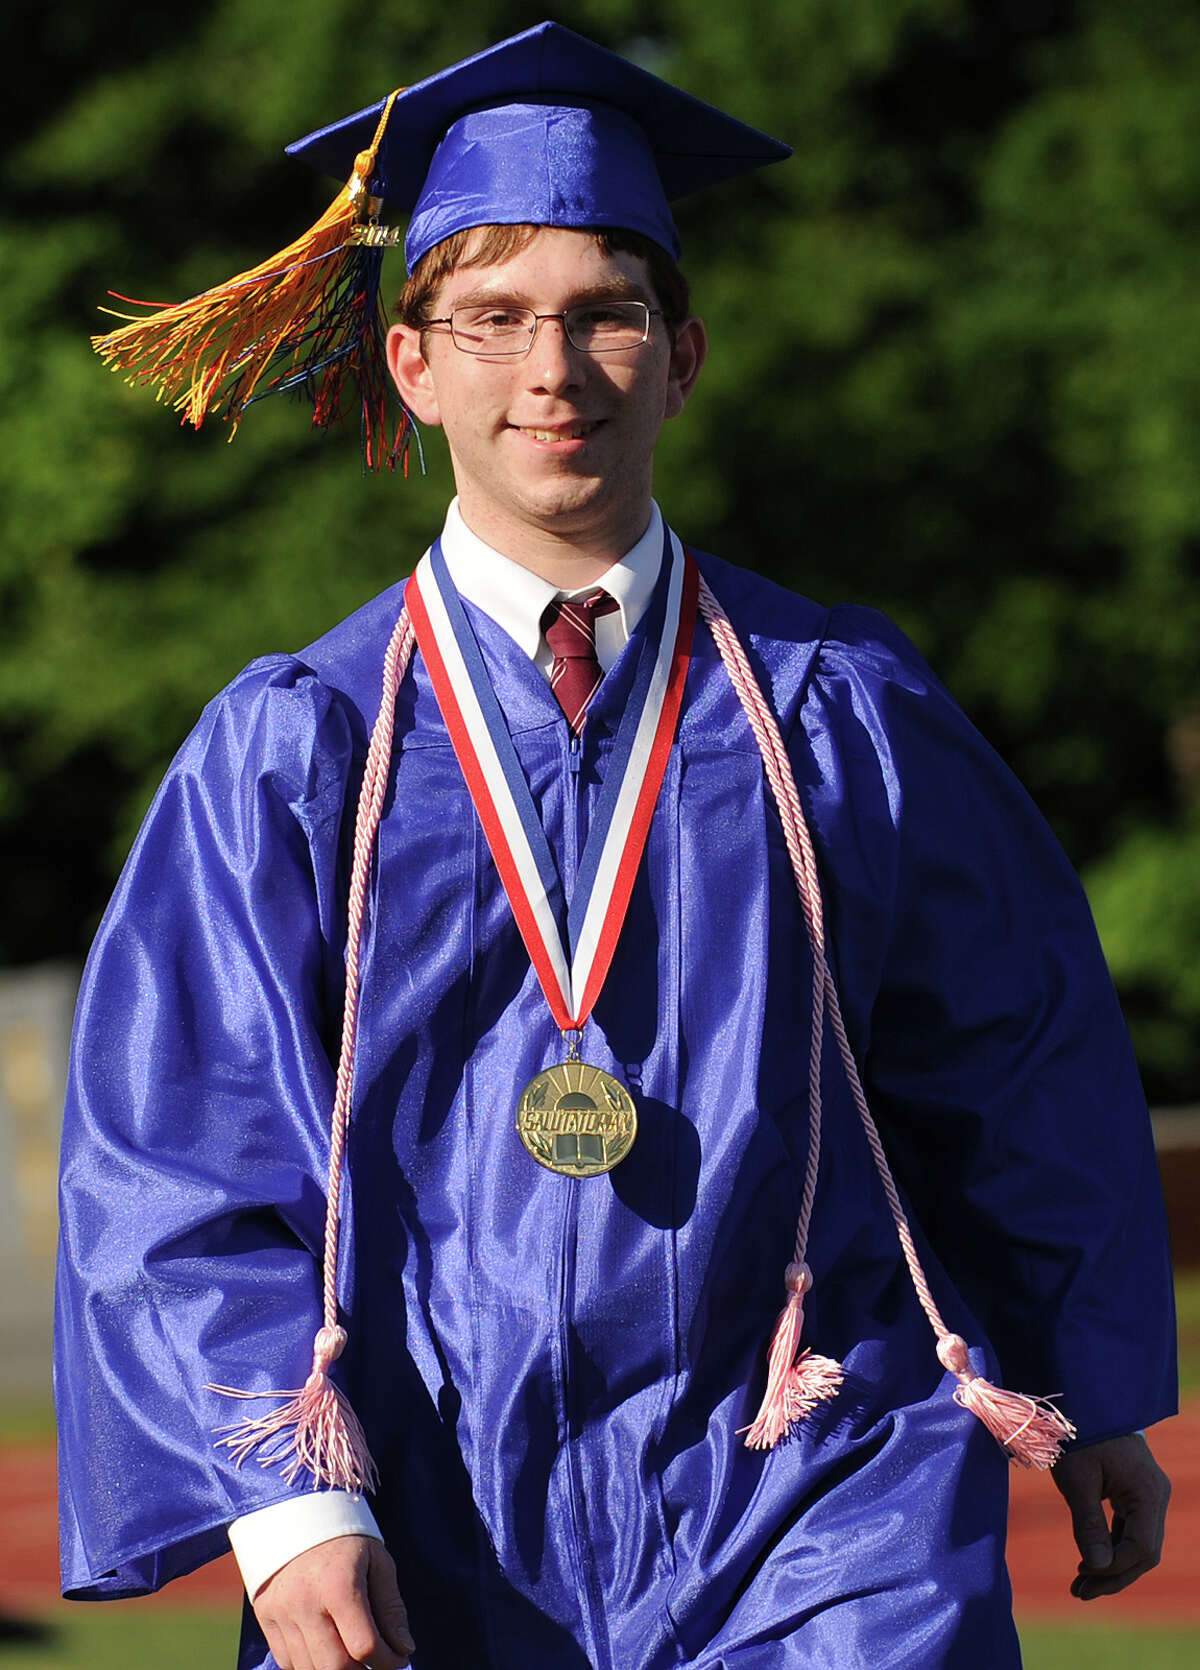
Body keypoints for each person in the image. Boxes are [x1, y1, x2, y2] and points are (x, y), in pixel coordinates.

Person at [56, 21, 1175, 1670]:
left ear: (686, 351)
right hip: (432, 1490)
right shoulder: (303, 748)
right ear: (412, 364)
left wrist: (1077, 1384)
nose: (552, 374)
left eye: (604, 315)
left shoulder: (838, 711)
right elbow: (182, 1151)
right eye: (492, 321)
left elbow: (1009, 1057)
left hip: (813, 1476)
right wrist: (282, 1502)